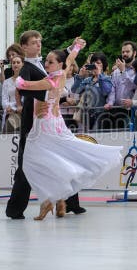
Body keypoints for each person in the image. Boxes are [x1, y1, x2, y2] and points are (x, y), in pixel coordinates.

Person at [16, 39, 121, 219]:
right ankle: (55, 199)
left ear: (58, 64)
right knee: (49, 161)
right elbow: (70, 59)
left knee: (32, 162)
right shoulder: (62, 74)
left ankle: (51, 199)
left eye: (50, 62)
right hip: (56, 123)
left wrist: (18, 75)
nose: (46, 64)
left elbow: (22, 85)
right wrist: (77, 47)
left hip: (45, 125)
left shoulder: (50, 81)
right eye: (46, 61)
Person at [6, 30, 86, 219]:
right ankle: (16, 209)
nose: (38, 44)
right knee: (26, 164)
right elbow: (22, 88)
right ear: (24, 47)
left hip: (49, 120)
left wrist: (73, 48)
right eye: (34, 42)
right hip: (33, 122)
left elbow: (61, 62)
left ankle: (69, 203)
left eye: (39, 41)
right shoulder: (26, 67)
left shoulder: (45, 63)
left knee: (60, 159)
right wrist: (45, 96)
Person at [1, 54, 23, 132]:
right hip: (10, 112)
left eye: (18, 62)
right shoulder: (6, 82)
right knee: (7, 135)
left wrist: (15, 108)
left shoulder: (26, 80)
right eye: (13, 63)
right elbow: (4, 100)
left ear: (22, 64)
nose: (15, 64)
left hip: (23, 112)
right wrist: (10, 108)